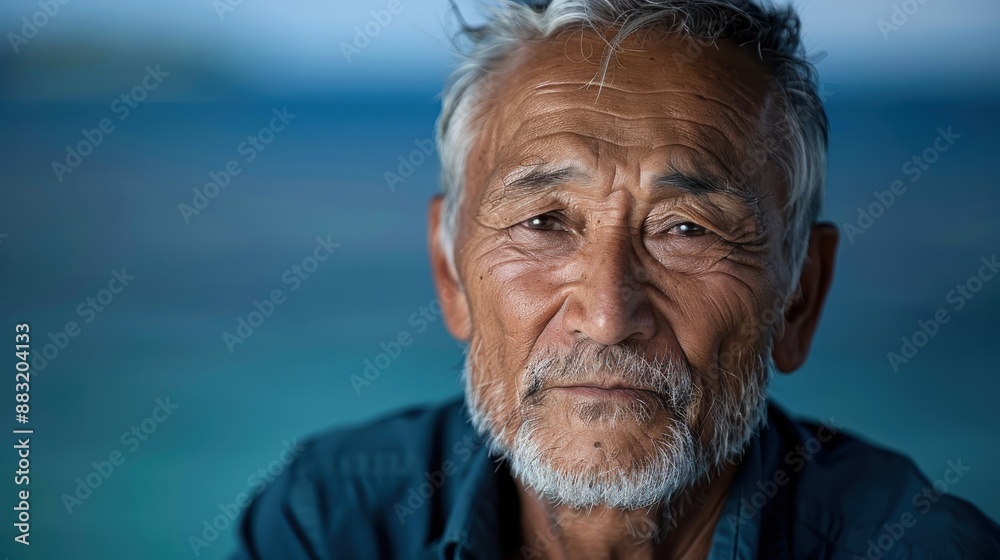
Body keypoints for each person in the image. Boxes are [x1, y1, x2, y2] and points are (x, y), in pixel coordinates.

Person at [232, 1, 1000, 558]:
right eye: (542, 222)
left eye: (686, 231)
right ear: (450, 274)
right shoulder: (329, 521)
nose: (606, 315)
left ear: (798, 297)